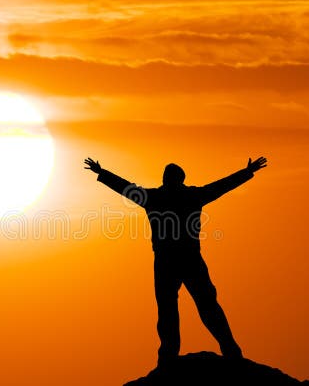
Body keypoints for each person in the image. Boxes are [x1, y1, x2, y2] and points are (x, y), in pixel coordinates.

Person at [84, 156, 268, 365]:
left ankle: (181, 354)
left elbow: (127, 188)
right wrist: (102, 173)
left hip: (173, 260)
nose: (166, 180)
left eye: (167, 177)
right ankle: (219, 350)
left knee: (181, 308)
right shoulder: (189, 196)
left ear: (172, 179)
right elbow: (220, 186)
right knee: (188, 307)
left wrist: (102, 173)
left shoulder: (158, 197)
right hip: (183, 259)